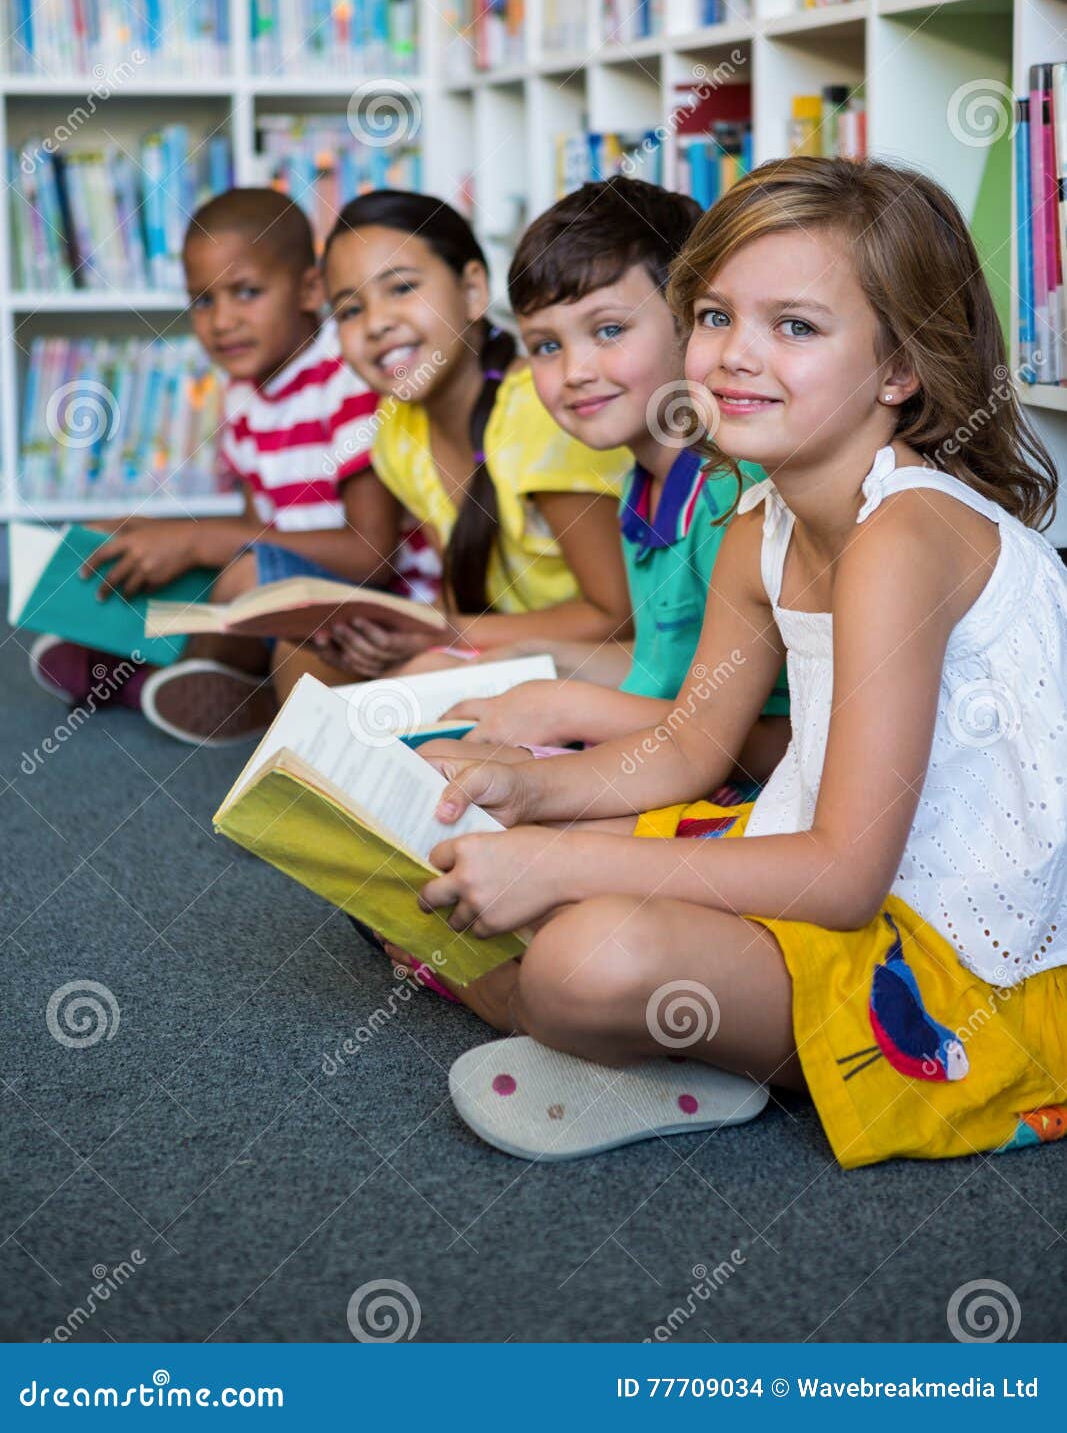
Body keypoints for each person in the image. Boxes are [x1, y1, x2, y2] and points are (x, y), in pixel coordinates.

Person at [416, 155, 1067, 1171]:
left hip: (965, 962)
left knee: (584, 957)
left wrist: (563, 858)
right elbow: (684, 743)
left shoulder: (904, 537)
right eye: (715, 316)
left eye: (794, 327)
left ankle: (593, 1015)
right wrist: (528, 788)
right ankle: (658, 1034)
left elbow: (846, 880)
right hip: (824, 857)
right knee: (480, 815)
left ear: (898, 369)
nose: (732, 355)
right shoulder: (755, 521)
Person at [435, 176, 788, 779]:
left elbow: (777, 743)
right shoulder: (641, 488)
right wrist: (526, 656)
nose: (575, 371)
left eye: (608, 330)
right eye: (545, 346)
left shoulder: (736, 493)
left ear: (691, 323)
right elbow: (661, 671)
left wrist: (567, 706)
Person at [30, 189, 404, 745]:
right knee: (130, 538)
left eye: (246, 293)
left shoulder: (346, 380)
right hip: (286, 583)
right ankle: (182, 670)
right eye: (201, 301)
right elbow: (257, 527)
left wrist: (201, 543)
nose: (222, 321)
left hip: (374, 601)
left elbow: (373, 555)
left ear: (310, 289)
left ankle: (152, 674)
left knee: (238, 573)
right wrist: (167, 537)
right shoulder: (243, 395)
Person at [269, 190, 634, 702]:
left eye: (401, 288)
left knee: (413, 683)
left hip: (606, 660)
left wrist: (444, 635)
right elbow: (467, 593)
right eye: (349, 310)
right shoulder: (397, 431)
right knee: (306, 656)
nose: (376, 323)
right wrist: (414, 635)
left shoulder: (541, 412)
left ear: (472, 290)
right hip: (503, 644)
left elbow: (615, 615)